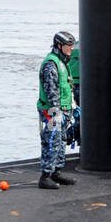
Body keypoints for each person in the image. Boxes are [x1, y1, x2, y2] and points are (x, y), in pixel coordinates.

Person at [37, 30, 77, 190]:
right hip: (53, 112)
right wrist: (56, 112)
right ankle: (45, 176)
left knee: (61, 141)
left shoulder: (63, 62)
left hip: (64, 110)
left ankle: (57, 172)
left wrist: (72, 106)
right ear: (59, 46)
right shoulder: (51, 64)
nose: (71, 48)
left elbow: (66, 87)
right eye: (69, 45)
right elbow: (51, 90)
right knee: (51, 141)